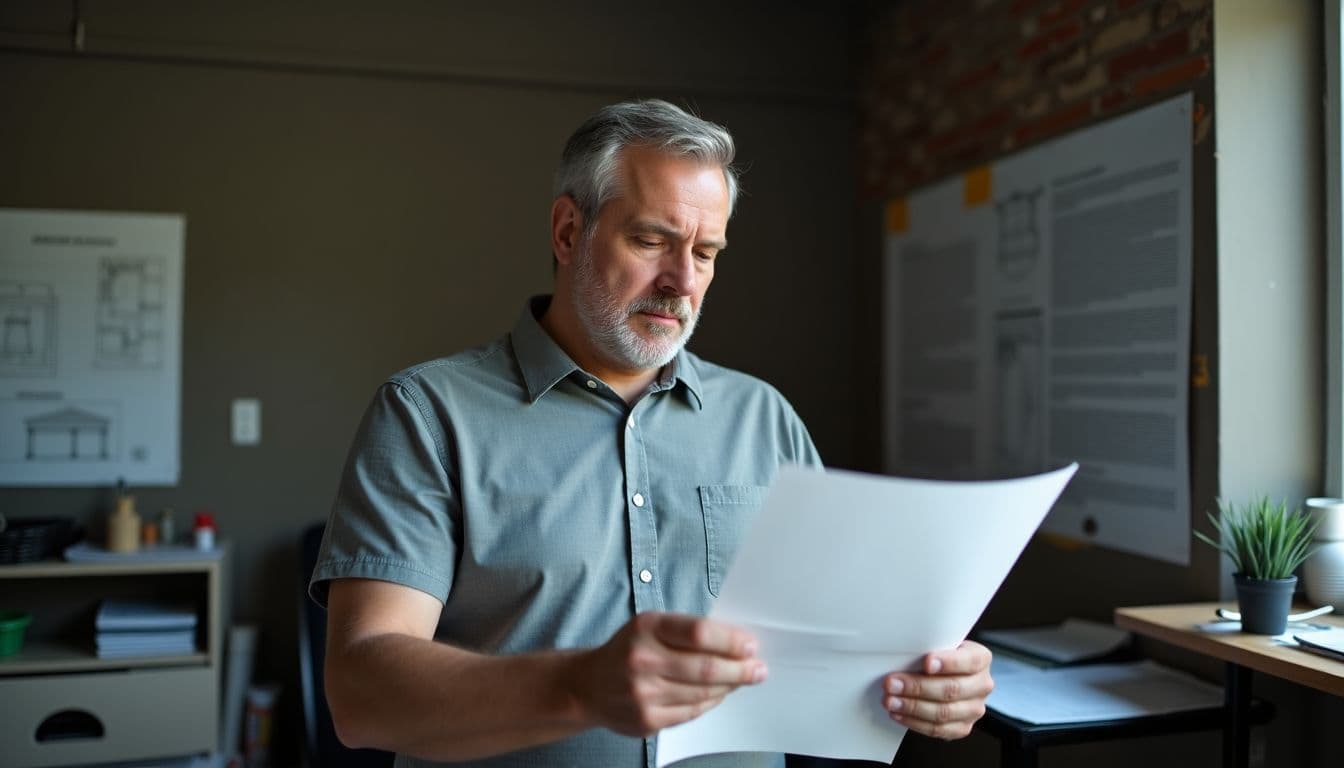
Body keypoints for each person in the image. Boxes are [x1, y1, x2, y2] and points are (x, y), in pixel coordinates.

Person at [310, 98, 994, 768]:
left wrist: (931, 680)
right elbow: (361, 694)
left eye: (707, 251)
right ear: (568, 231)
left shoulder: (766, 419)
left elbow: (846, 642)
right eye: (652, 241)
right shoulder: (426, 414)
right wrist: (577, 687)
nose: (682, 281)